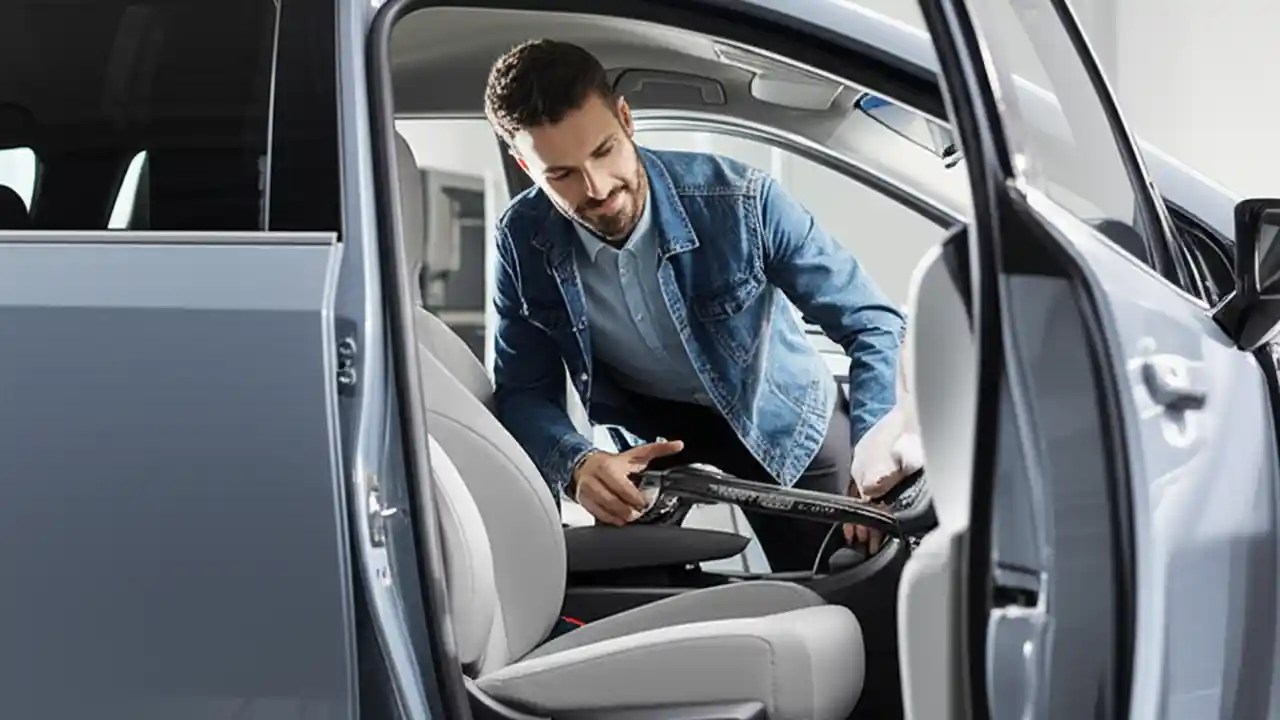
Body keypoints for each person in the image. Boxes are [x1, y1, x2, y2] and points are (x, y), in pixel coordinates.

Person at [483, 38, 923, 571]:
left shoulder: (742, 201)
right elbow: (525, 391)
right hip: (648, 433)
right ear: (526, 169)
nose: (597, 188)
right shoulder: (521, 240)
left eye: (603, 152)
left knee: (845, 576)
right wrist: (577, 463)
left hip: (780, 412)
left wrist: (875, 449)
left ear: (626, 120)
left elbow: (873, 323)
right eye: (562, 174)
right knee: (633, 592)